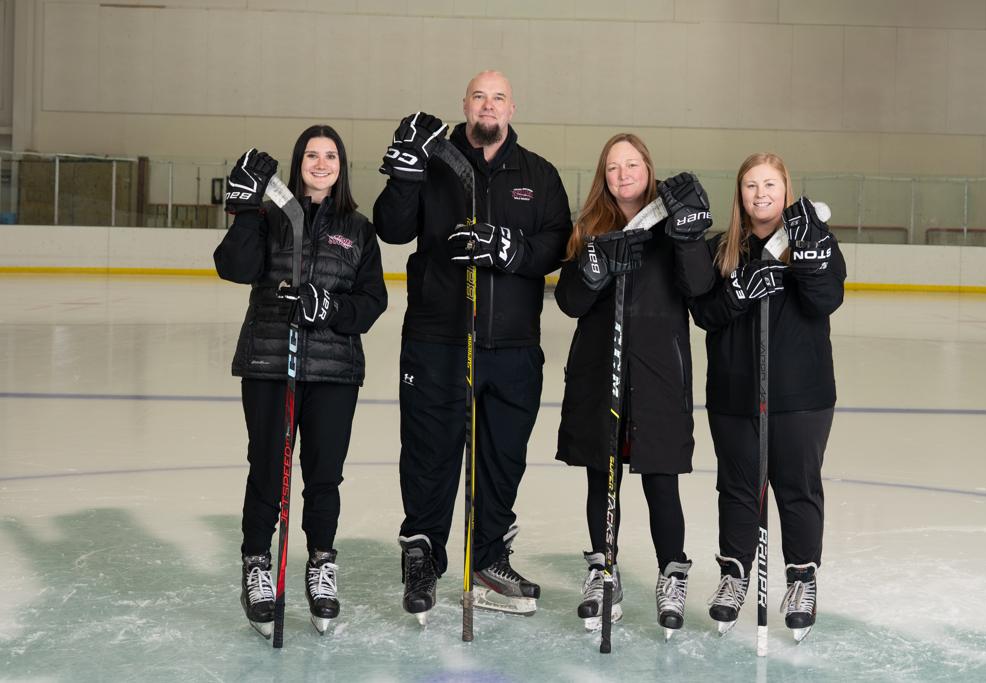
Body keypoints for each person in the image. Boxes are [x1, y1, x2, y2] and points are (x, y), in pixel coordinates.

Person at [373, 71, 572, 620]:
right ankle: (423, 555)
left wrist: (508, 248)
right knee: (429, 454)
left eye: (499, 97)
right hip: (438, 339)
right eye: (479, 97)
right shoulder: (436, 161)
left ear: (512, 107)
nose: (489, 106)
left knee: (502, 459)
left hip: (512, 347)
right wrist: (406, 171)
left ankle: (487, 558)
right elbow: (390, 227)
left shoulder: (539, 173)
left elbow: (557, 242)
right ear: (465, 105)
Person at [213, 125, 387, 637]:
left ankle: (320, 565)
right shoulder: (269, 218)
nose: (320, 162)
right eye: (311, 154)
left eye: (330, 155)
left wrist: (328, 306)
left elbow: (372, 302)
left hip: (333, 373)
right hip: (270, 364)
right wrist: (245, 207)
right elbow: (233, 266)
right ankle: (256, 565)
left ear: (342, 166)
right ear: (298, 162)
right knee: (267, 467)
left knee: (324, 475)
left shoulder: (357, 229)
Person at [554, 134, 716, 636]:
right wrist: (596, 269)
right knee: (602, 479)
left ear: (648, 168)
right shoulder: (590, 229)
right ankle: (604, 569)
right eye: (612, 167)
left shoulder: (671, 226)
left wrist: (688, 237)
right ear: (603, 177)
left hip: (658, 375)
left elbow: (701, 290)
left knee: (660, 480)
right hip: (600, 373)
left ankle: (672, 573)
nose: (622, 174)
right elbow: (570, 302)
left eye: (632, 164)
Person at [688, 152, 845, 642]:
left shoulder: (812, 241)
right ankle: (734, 577)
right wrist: (738, 293)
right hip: (735, 395)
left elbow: (827, 299)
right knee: (737, 490)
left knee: (797, 487)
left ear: (786, 190)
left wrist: (809, 261)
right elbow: (705, 314)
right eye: (751, 186)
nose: (761, 194)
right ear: (740, 195)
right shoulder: (721, 251)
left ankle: (801, 579)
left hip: (802, 395)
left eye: (770, 185)